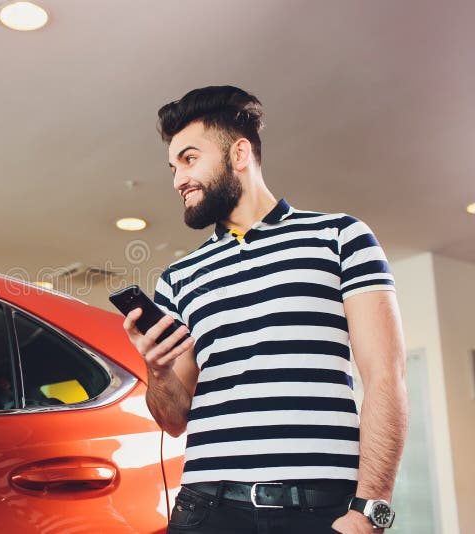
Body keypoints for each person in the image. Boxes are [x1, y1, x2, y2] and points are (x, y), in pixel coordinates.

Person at [122, 86, 408, 533]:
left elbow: (386, 378)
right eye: (173, 166)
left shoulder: (340, 238)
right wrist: (157, 373)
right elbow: (173, 420)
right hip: (206, 510)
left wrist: (370, 511)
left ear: (239, 154)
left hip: (320, 510)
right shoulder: (178, 278)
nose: (178, 179)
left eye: (190, 159)